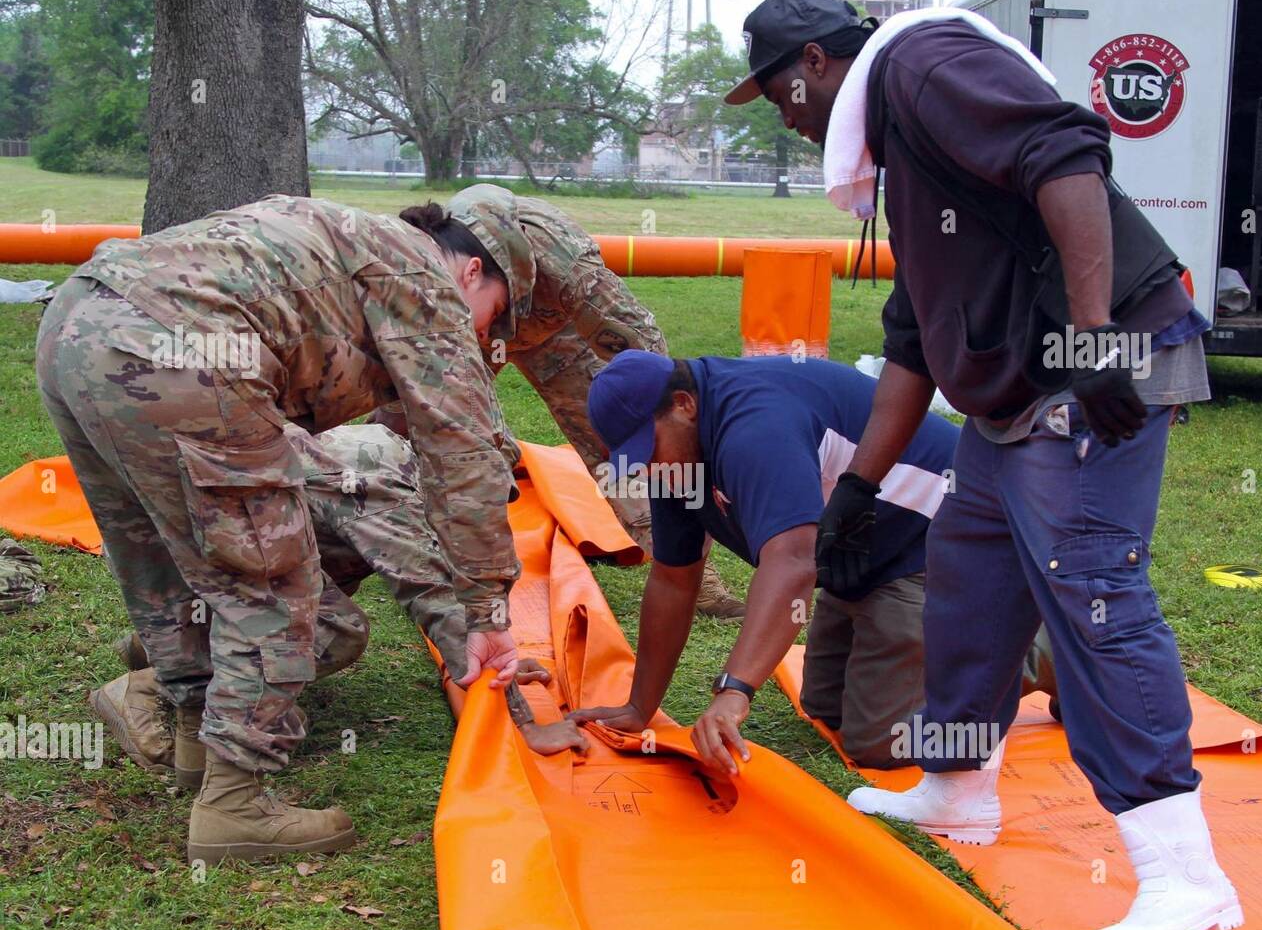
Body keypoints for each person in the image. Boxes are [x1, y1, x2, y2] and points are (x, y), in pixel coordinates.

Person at [726, 0, 1240, 930]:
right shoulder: (900, 147)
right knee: (965, 573)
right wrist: (857, 490)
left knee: (1090, 588)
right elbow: (914, 339)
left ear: (810, 62)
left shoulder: (922, 64)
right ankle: (960, 784)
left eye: (777, 92)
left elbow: (1067, 156)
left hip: (1096, 360)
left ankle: (1183, 871)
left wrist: (1092, 336)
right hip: (1013, 395)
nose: (780, 115)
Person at [38, 193, 533, 863]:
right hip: (179, 351)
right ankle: (234, 807)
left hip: (79, 322)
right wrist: (487, 616)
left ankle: (192, 738)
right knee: (269, 584)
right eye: (494, 316)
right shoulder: (427, 288)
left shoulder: (352, 243)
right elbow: (463, 456)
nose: (483, 338)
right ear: (471, 273)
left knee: (157, 555)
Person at [98, 422, 590, 775]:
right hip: (183, 561)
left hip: (204, 560)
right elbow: (435, 594)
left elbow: (456, 579)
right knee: (335, 632)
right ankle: (150, 682)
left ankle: (170, 640)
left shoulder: (412, 469)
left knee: (316, 590)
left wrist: (495, 668)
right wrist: (524, 723)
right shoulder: (379, 477)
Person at [569, 350, 961, 773]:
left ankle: (1019, 652)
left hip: (943, 537)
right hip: (864, 555)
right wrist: (638, 706)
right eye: (636, 460)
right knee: (825, 705)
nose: (648, 468)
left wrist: (733, 691)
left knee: (880, 741)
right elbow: (673, 580)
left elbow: (793, 562)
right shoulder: (678, 454)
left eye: (649, 449)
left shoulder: (755, 427)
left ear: (684, 405)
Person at [371, 184, 746, 619]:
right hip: (471, 329)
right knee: (404, 419)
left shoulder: (560, 260)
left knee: (626, 449)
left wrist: (680, 428)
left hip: (558, 334)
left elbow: (639, 347)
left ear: (476, 271)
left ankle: (691, 573)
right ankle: (369, 528)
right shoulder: (432, 259)